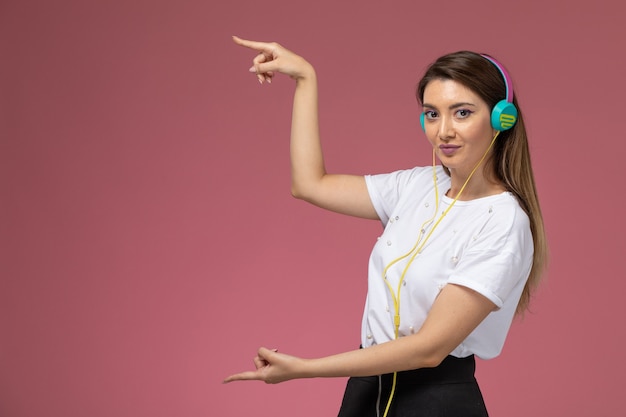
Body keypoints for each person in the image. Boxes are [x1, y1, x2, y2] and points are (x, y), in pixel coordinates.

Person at [225, 36, 548, 417]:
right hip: (365, 392)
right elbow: (309, 184)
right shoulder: (416, 185)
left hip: (435, 401)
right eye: (432, 113)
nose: (443, 130)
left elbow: (428, 349)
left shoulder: (504, 221)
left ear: (500, 119)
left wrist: (305, 369)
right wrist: (305, 79)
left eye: (462, 113)